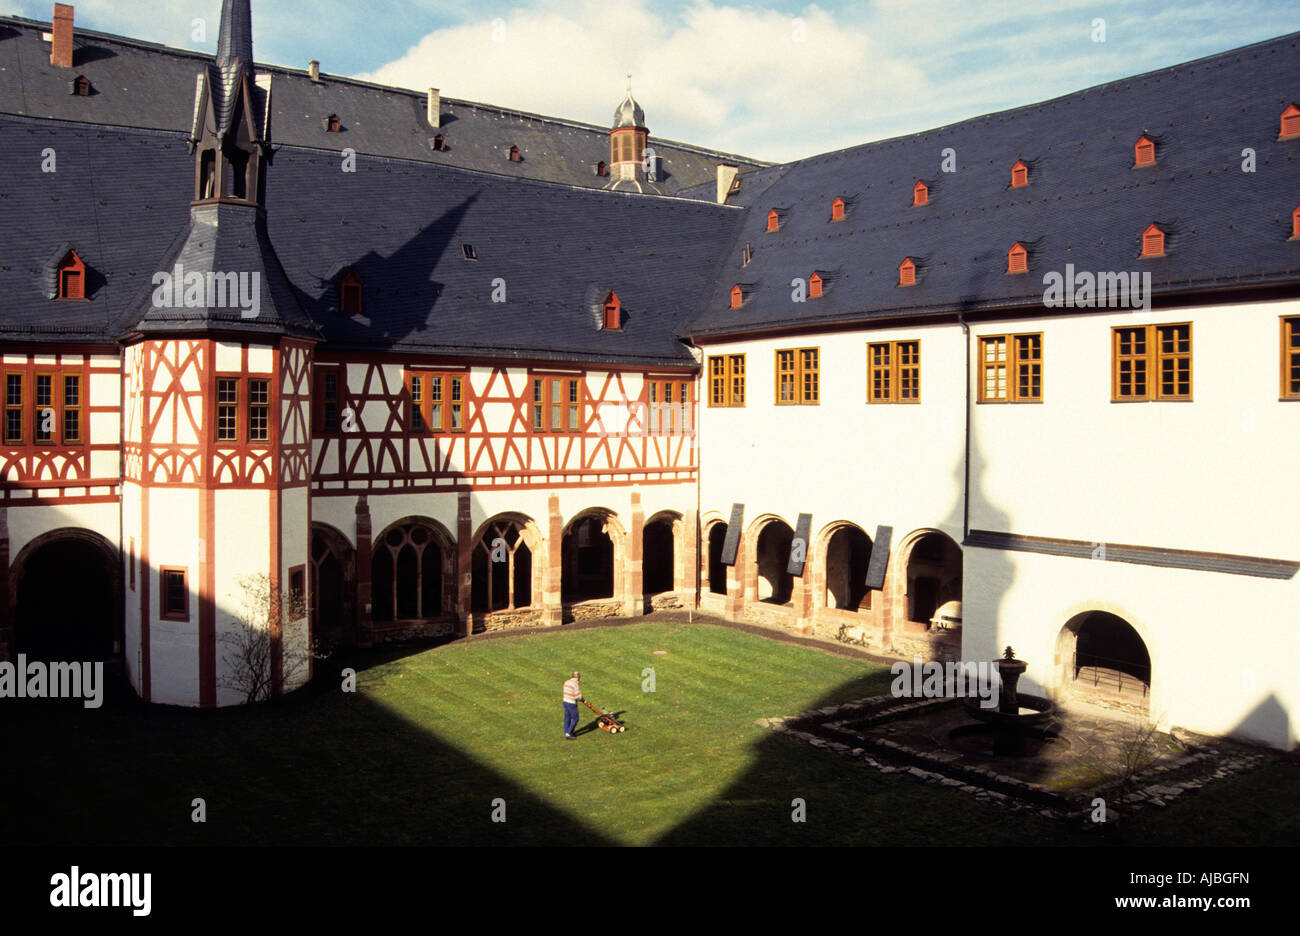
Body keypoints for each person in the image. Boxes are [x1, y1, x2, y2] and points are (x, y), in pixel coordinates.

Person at [562, 671, 583, 739]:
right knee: (575, 718)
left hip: (565, 701)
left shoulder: (566, 682)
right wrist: (582, 699)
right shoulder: (575, 684)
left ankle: (566, 731)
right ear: (578, 677)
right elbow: (577, 696)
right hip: (571, 703)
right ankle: (569, 733)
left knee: (567, 717)